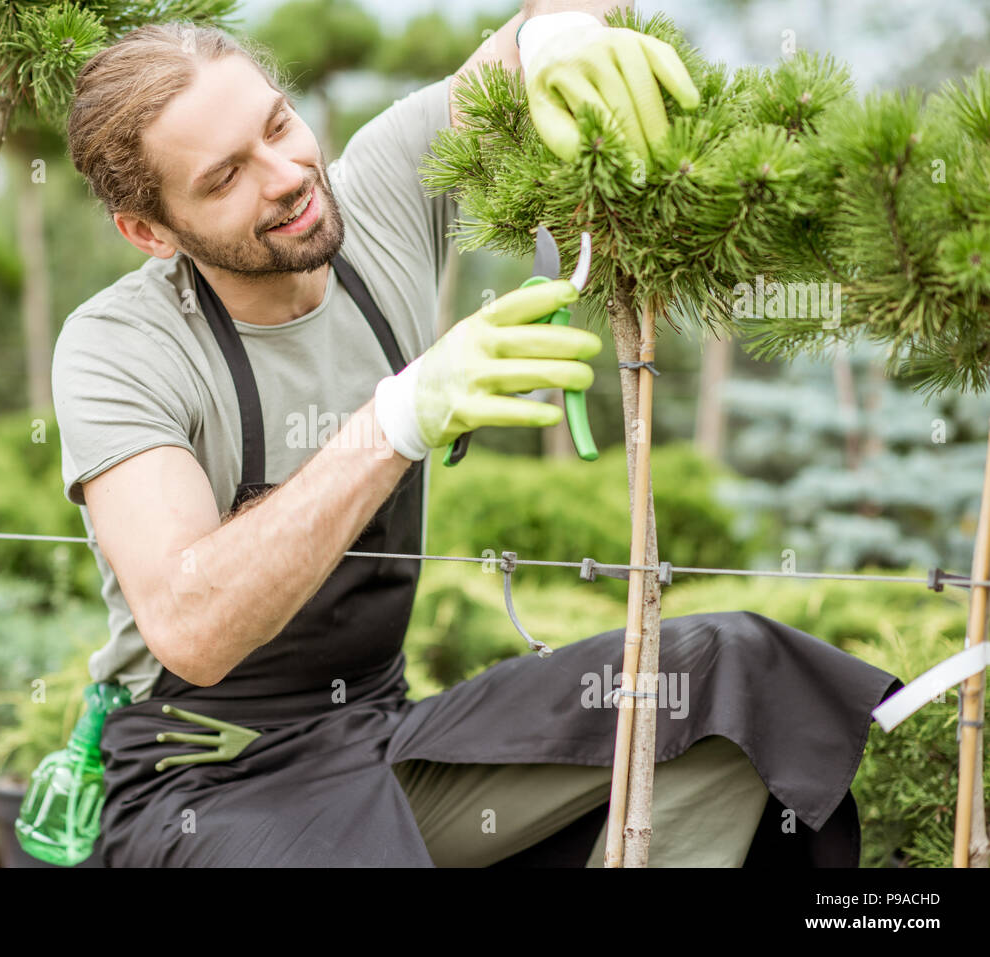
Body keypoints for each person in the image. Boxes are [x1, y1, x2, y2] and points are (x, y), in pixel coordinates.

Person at [52, 7, 901, 867]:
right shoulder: (119, 348)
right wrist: (400, 417)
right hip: (201, 780)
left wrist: (555, 43)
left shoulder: (374, 192)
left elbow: (530, 35)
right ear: (149, 231)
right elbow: (191, 626)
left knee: (726, 680)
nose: (286, 176)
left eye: (278, 124)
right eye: (225, 176)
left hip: (376, 732)